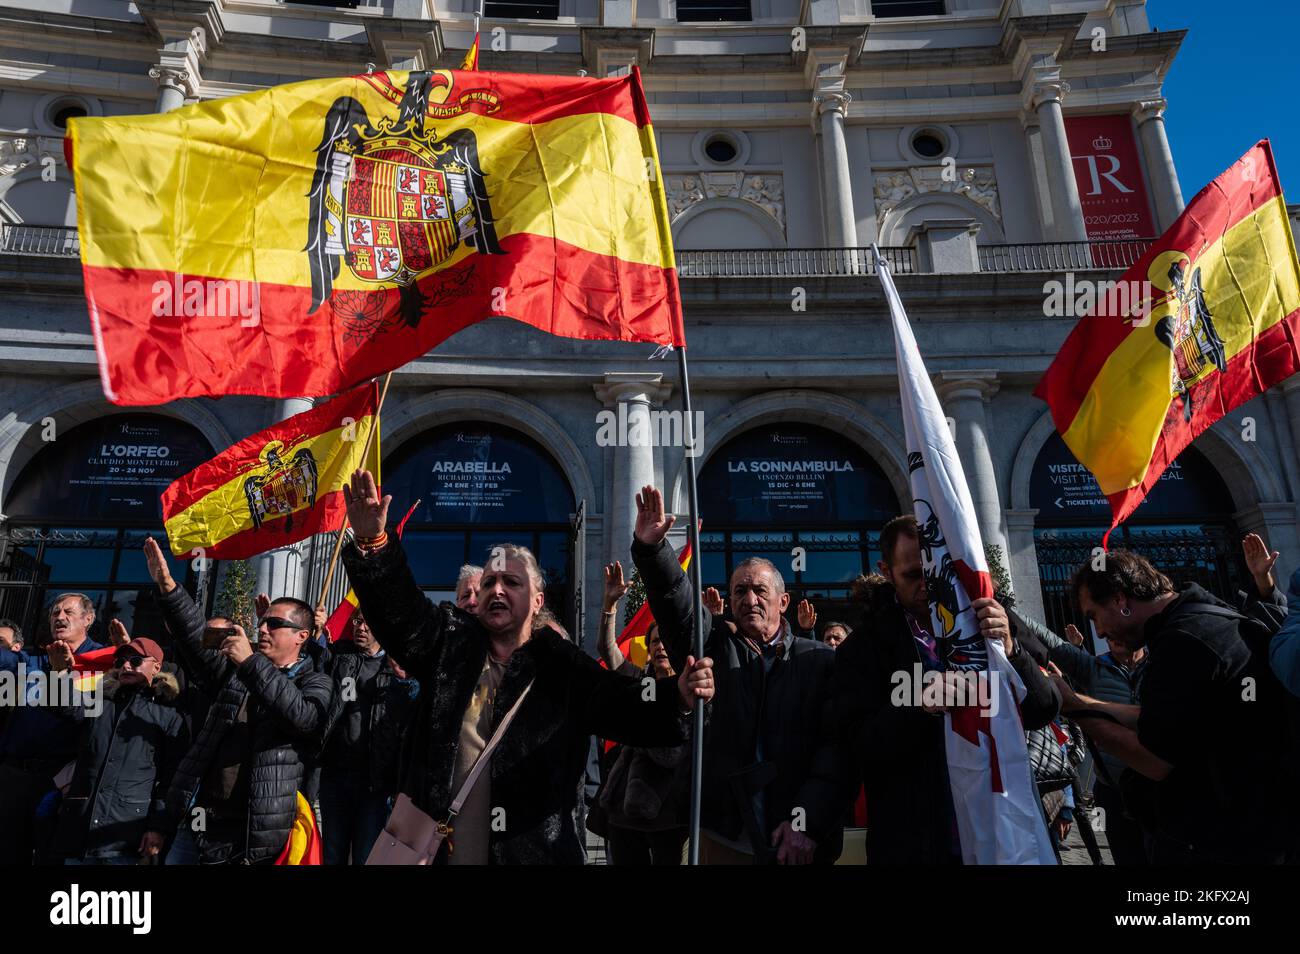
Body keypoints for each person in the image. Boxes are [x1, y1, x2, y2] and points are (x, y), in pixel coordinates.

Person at [340, 469, 714, 865]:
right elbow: (399, 616)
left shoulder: (562, 666)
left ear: (538, 601)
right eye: (489, 582)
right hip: (435, 853)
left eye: (511, 582)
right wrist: (374, 544)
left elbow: (625, 707)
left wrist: (679, 696)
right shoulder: (448, 643)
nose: (496, 590)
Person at [631, 485, 851, 865]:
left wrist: (808, 823)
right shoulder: (713, 645)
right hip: (725, 837)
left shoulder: (819, 660)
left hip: (799, 844)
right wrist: (653, 552)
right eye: (740, 591)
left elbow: (837, 752)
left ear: (783, 602)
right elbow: (678, 606)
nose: (750, 600)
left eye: (760, 591)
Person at [832, 515, 1059, 865]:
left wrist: (1012, 650)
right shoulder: (864, 648)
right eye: (912, 574)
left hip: (1004, 832)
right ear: (886, 570)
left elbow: (1044, 709)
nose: (928, 584)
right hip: (919, 843)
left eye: (936, 569)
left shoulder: (994, 619)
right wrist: (917, 706)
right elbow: (857, 745)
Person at [1058, 548, 1289, 864]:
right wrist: (1087, 703)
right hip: (1257, 831)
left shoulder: (1182, 641)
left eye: (1093, 615)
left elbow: (1155, 758)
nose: (1097, 631)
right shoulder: (1208, 616)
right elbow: (1166, 718)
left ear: (1119, 600)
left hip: (1221, 843)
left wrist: (1073, 709)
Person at [141, 538, 334, 865]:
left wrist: (250, 663)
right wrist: (169, 587)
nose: (262, 629)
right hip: (201, 818)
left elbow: (302, 717)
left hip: (251, 830)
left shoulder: (314, 682)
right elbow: (197, 643)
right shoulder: (236, 675)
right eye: (262, 622)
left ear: (302, 636)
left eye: (274, 623)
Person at [47, 635, 189, 865]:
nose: (125, 665)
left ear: (157, 666)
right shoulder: (100, 700)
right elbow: (62, 705)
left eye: (135, 660)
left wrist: (158, 828)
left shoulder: (170, 715)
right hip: (80, 831)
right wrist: (60, 674)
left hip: (126, 838)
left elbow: (171, 780)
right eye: (121, 660)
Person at [594, 561, 690, 866]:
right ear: (648, 649)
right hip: (625, 814)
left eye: (666, 641)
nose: (661, 647)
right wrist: (610, 605)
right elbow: (608, 651)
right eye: (655, 641)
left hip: (672, 814)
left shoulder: (692, 687)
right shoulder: (639, 681)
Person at [0, 594, 107, 865]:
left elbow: (84, 717)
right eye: (54, 612)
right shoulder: (32, 659)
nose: (59, 617)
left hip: (61, 780)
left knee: (52, 856)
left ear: (88, 619)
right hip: (14, 776)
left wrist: (62, 675)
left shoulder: (100, 662)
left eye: (68, 612)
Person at [317, 610, 418, 865]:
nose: (360, 628)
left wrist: (404, 682)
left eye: (367, 622)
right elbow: (316, 660)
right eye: (357, 621)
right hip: (336, 779)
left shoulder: (398, 665)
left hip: (374, 784)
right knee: (332, 854)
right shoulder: (342, 655)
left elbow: (413, 714)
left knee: (366, 855)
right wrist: (316, 629)